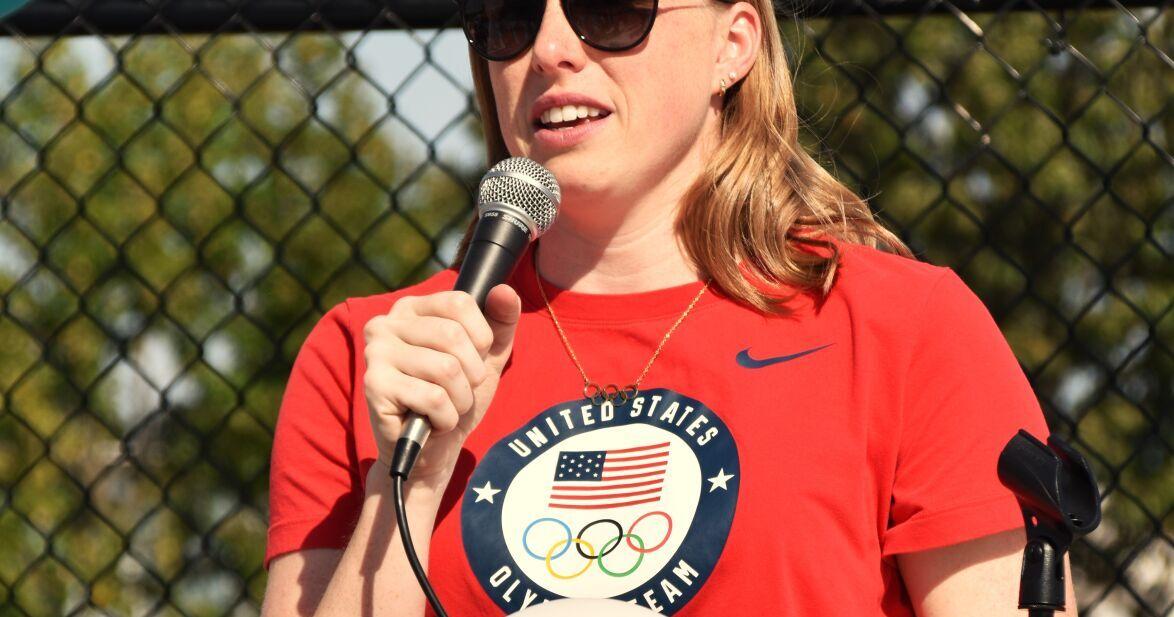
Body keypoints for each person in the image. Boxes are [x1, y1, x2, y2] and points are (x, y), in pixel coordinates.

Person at [260, 0, 1077, 615]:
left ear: (734, 43)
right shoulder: (380, 355)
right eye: (507, 18)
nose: (547, 51)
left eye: (610, 10)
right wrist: (410, 479)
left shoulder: (903, 328)